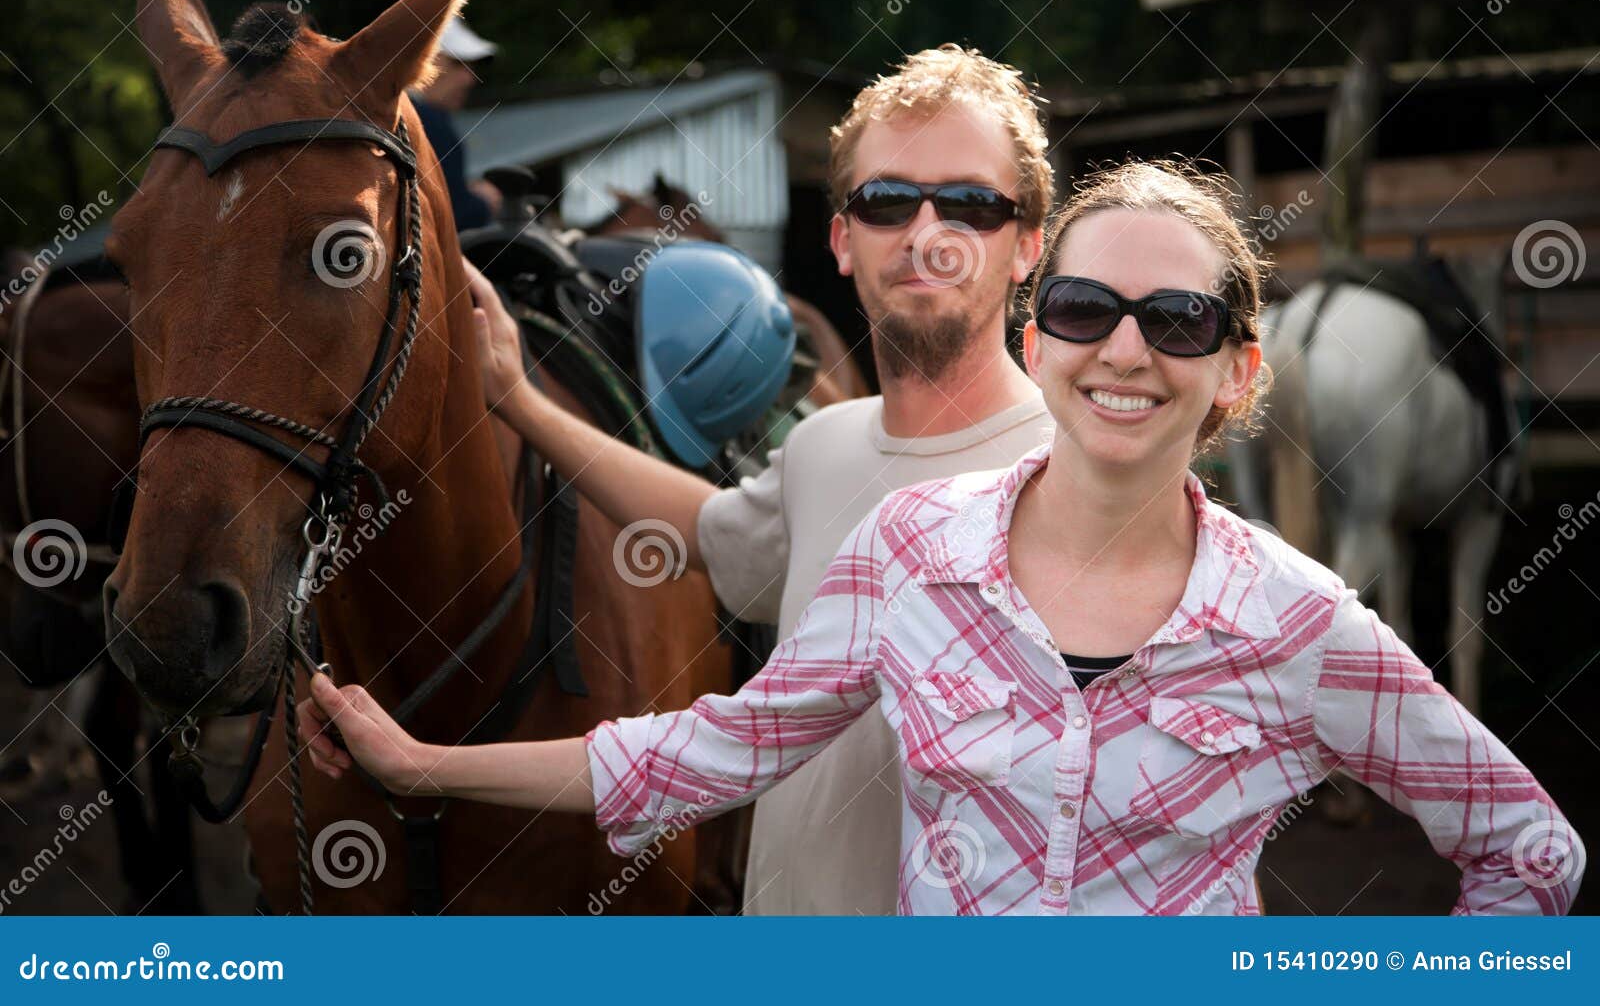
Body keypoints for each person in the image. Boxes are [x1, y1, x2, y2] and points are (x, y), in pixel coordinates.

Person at [300, 159, 1585, 915]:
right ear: (1037, 338)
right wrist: (419, 767)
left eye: (1179, 320)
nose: (1125, 348)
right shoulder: (911, 546)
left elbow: (1532, 849)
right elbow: (714, 747)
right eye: (1084, 306)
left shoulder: (1299, 618)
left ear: (1237, 375)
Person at [460, 44, 1057, 914]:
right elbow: (712, 531)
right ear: (842, 241)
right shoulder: (823, 449)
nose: (927, 235)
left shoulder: (1077, 477)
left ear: (1028, 244)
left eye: (970, 204)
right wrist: (521, 400)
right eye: (887, 202)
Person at [409, 16, 501, 231]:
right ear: (421, 61)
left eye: (471, 67)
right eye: (457, 63)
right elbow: (452, 217)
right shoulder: (428, 123)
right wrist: (486, 203)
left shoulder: (388, 115)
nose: (469, 79)